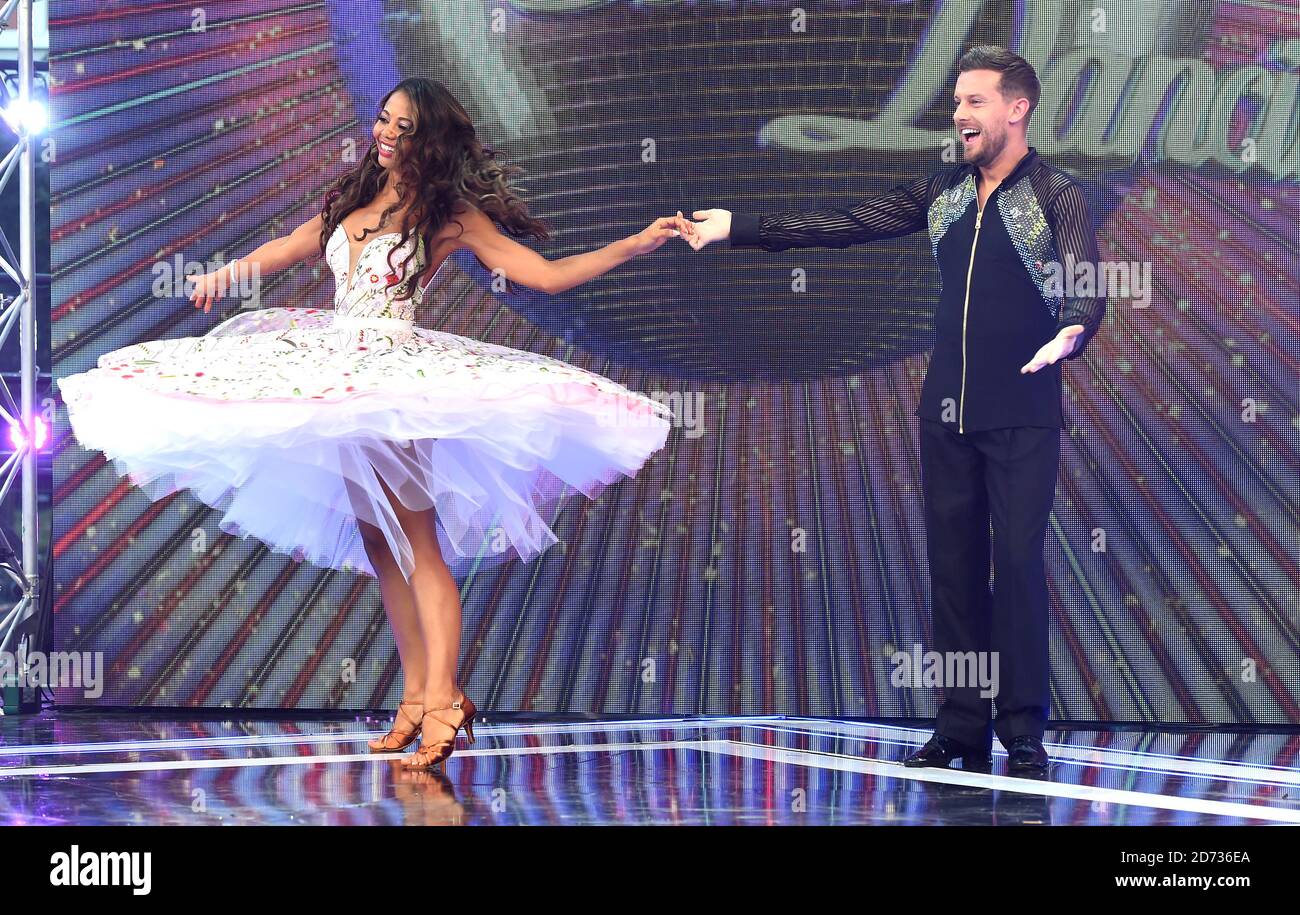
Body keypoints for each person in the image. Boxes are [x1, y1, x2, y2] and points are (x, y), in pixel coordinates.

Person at [58, 77, 687, 770]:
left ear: (431, 139)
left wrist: (634, 245)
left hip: (393, 380)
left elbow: (541, 275)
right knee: (379, 544)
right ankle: (416, 697)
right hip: (336, 371)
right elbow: (296, 243)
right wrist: (225, 273)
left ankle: (446, 699)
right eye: (384, 120)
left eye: (403, 127)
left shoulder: (448, 213)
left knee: (418, 544)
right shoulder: (355, 192)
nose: (385, 133)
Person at [678, 46, 1107, 778]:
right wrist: (739, 226)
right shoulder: (941, 191)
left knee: (1019, 569)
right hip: (945, 413)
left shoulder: (1056, 194)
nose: (959, 114)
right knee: (955, 573)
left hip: (1025, 413)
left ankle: (1023, 732)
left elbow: (1085, 285)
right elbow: (846, 223)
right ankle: (962, 728)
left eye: (974, 101)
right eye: (957, 102)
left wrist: (1073, 328)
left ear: (1017, 107)